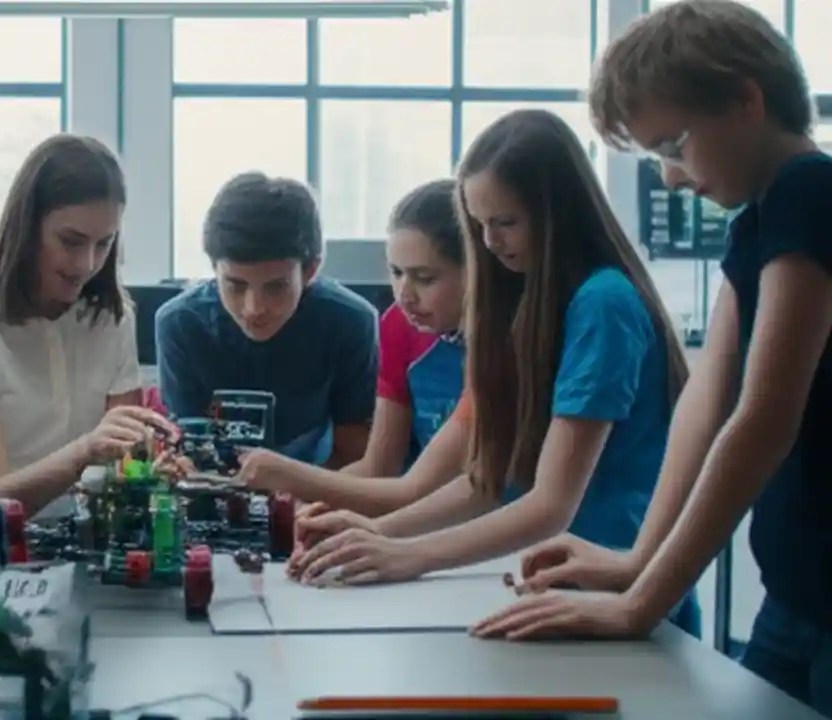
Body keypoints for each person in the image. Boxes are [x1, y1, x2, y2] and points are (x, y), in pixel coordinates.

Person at [471, 2, 832, 710]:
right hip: (798, 596)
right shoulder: (759, 220)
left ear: (745, 100)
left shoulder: (809, 191)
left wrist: (644, 603)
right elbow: (704, 403)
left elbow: (761, 420)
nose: (668, 177)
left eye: (673, 144)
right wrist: (638, 563)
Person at [287, 108, 701, 636]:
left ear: (556, 213)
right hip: (545, 582)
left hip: (609, 587)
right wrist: (377, 533)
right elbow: (488, 481)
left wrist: (406, 553)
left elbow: (550, 505)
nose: (489, 242)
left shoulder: (603, 303)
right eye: (479, 225)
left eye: (505, 223)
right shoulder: (530, 302)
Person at [0, 134, 178, 519]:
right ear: (26, 226)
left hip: (64, 519)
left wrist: (150, 468)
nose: (86, 264)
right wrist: (88, 450)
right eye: (70, 242)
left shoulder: (112, 314)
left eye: (103, 244)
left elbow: (120, 463)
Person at [234, 179, 467, 512]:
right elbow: (377, 469)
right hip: (426, 521)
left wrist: (290, 475)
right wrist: (296, 508)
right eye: (396, 273)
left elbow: (425, 489)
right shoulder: (398, 324)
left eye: (425, 278)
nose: (404, 295)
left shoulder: (503, 344)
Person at [155, 172, 379, 468]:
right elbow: (186, 449)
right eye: (235, 285)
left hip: (315, 483)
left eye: (276, 287)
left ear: (310, 271)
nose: (254, 308)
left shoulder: (351, 322)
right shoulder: (180, 324)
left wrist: (296, 503)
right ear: (213, 268)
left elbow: (353, 452)